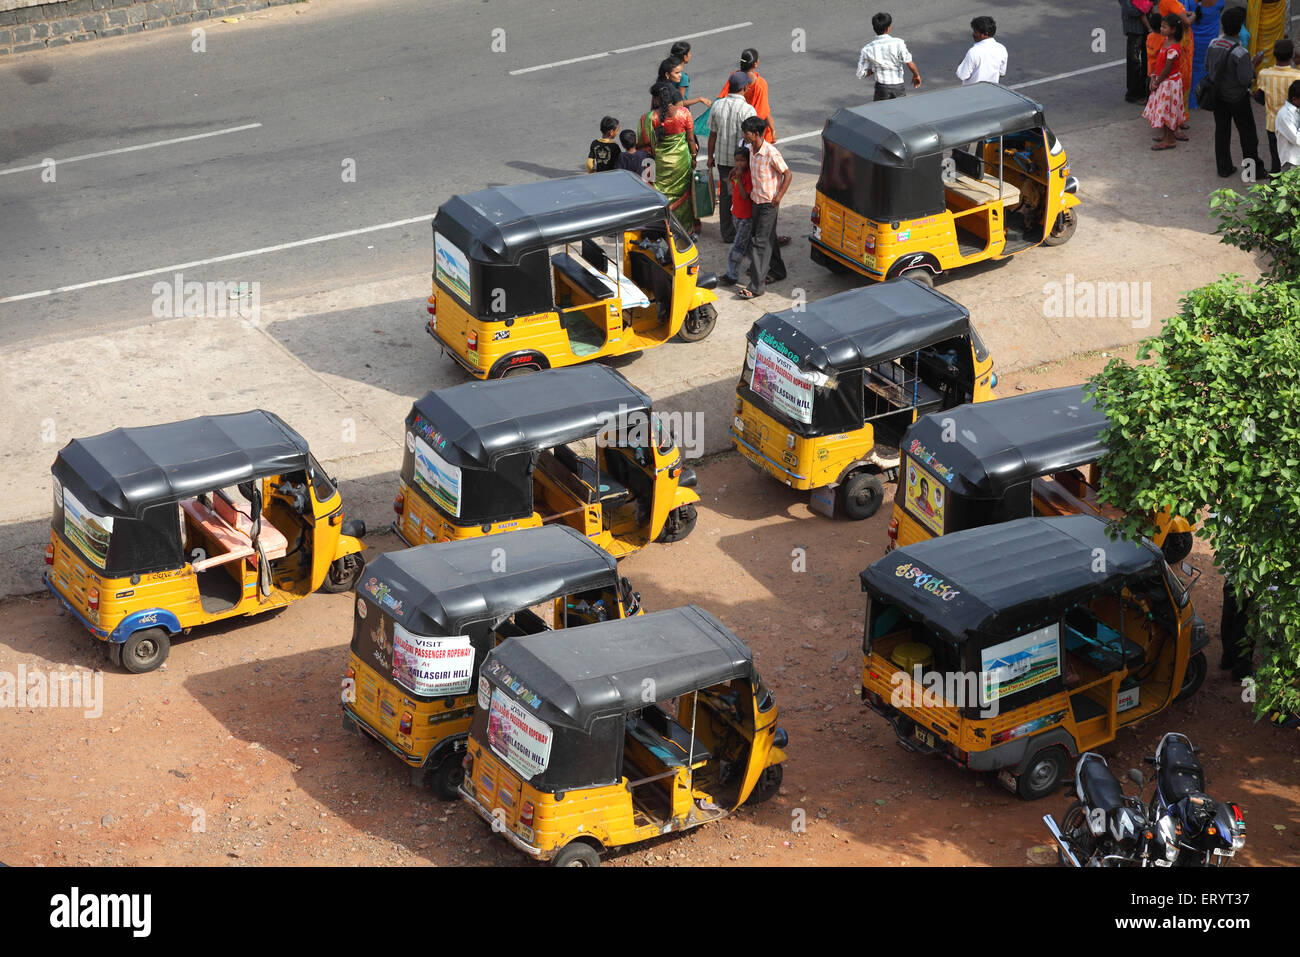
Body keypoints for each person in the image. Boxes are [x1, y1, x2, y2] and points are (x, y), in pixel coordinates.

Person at [1204, 4, 1268, 177]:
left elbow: (1207, 66)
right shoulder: (1240, 52)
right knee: (1247, 135)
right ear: (1239, 28)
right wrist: (1254, 63)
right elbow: (1246, 79)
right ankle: (1251, 171)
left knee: (1222, 132)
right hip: (1237, 97)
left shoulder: (1213, 43)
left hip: (1218, 96)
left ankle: (1224, 168)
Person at [736, 116, 791, 300]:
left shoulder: (771, 152)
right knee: (768, 238)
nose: (745, 135)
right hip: (756, 202)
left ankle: (756, 286)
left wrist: (779, 196)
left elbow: (787, 174)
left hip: (769, 204)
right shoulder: (751, 149)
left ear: (757, 134)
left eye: (747, 133)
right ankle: (778, 270)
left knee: (760, 241)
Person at [708, 71, 757, 244]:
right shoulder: (748, 110)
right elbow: (752, 139)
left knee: (726, 197)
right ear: (744, 88)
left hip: (722, 160)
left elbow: (712, 135)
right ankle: (743, 230)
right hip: (742, 162)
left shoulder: (717, 106)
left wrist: (709, 157)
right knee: (743, 195)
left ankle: (727, 234)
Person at [645, 81, 699, 235]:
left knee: (664, 193)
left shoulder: (651, 118)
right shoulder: (684, 113)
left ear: (656, 99)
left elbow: (649, 144)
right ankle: (685, 229)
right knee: (684, 193)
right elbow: (690, 140)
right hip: (681, 161)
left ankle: (665, 228)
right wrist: (694, 157)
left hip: (661, 163)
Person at [1254, 39, 1300, 173]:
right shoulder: (1297, 75)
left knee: (1276, 158)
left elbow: (1260, 96)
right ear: (1292, 55)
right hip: (1294, 125)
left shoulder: (1264, 74)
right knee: (1294, 159)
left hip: (1273, 125)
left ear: (1274, 54)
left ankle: (1274, 190)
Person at [856, 11, 922, 100]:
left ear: (874, 28)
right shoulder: (898, 43)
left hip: (881, 89)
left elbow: (861, 74)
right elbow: (909, 63)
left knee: (880, 112)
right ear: (888, 28)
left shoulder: (867, 49)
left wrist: (875, 69)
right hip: (898, 87)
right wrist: (916, 75)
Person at [1145, 14, 1188, 149]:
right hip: (1164, 82)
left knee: (1168, 111)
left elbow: (1166, 69)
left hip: (1169, 84)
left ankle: (1170, 140)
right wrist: (1154, 77)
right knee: (1164, 110)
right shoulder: (1166, 41)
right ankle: (1166, 136)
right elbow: (1159, 63)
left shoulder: (1173, 48)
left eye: (1165, 27)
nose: (1161, 29)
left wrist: (1156, 82)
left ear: (1174, 30)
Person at [719, 49, 775, 143]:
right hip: (752, 128)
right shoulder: (760, 84)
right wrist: (773, 130)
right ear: (755, 64)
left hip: (734, 122)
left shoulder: (735, 76)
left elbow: (723, 96)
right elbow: (763, 111)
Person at [718, 147, 753, 287]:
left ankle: (731, 275)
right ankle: (760, 267)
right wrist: (732, 176)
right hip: (737, 214)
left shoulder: (748, 176)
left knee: (737, 247)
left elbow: (745, 196)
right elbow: (731, 191)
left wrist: (738, 178)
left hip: (746, 217)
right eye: (737, 160)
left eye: (742, 161)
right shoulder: (736, 173)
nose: (739, 164)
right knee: (748, 246)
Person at [1157, 0, 1194, 122]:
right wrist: (1194, 15)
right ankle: (1176, 121)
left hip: (1183, 42)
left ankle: (1178, 119)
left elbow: (1179, 14)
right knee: (1181, 81)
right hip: (1182, 43)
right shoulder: (1170, 1)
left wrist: (1185, 13)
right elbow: (1187, 22)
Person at [1189, 0, 1225, 108]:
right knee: (1207, 68)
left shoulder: (1189, 2)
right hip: (1209, 43)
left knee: (1192, 69)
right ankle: (1205, 98)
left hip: (1192, 42)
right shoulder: (1219, 2)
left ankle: (1192, 100)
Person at [956, 16, 1007, 85]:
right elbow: (1002, 73)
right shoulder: (1001, 49)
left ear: (985, 34)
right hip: (992, 91)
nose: (973, 34)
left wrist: (961, 64)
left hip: (973, 93)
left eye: (975, 32)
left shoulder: (973, 52)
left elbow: (963, 75)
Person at [1119, 0, 1151, 102]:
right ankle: (1133, 94)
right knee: (1134, 61)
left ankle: (1144, 89)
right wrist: (1145, 7)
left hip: (1146, 26)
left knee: (1148, 59)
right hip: (1134, 28)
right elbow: (1130, 10)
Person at [668, 42, 712, 111]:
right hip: (680, 114)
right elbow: (680, 103)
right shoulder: (682, 77)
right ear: (685, 57)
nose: (690, 55)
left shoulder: (667, 70)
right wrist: (700, 99)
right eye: (689, 53)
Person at [1277, 79, 1300, 170]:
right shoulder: (1284, 115)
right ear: (1294, 99)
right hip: (1292, 162)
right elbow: (1297, 140)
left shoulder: (1297, 108)